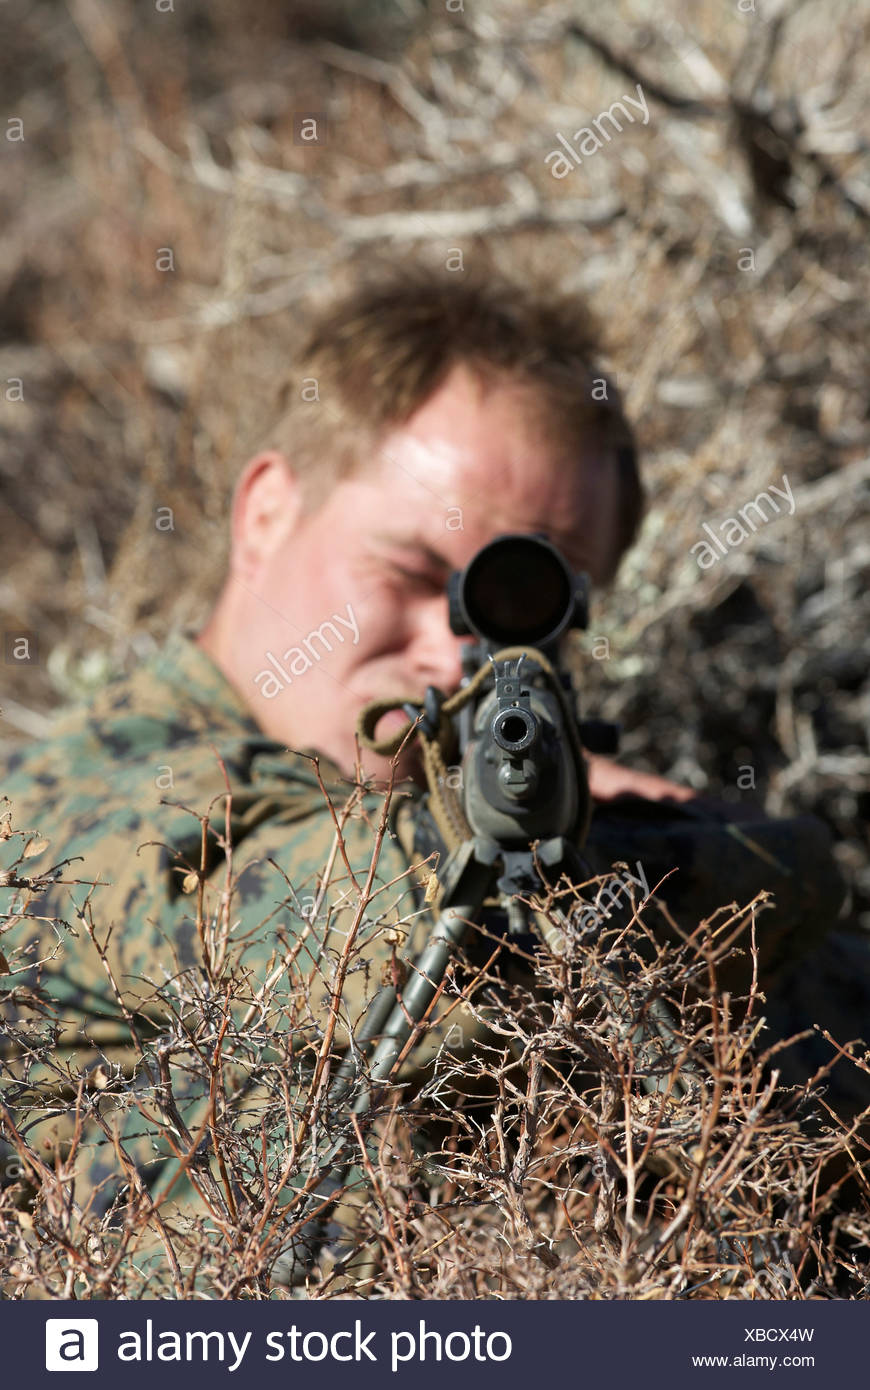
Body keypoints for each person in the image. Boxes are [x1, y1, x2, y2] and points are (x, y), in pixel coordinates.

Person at [0, 267, 849, 1286]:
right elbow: (374, 916)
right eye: (410, 575)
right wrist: (785, 858)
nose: (453, 660)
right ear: (268, 511)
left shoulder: (571, 813)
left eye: (520, 609)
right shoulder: (82, 796)